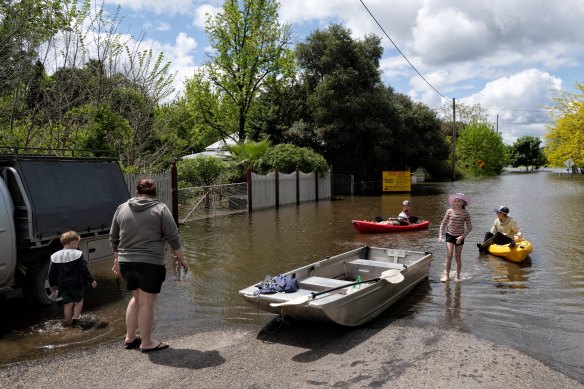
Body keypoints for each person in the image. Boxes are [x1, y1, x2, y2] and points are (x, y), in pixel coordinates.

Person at [110, 178, 189, 353]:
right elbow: (173, 237)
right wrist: (181, 259)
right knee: (147, 303)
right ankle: (146, 342)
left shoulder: (122, 208)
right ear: (155, 192)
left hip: (126, 262)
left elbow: (113, 237)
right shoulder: (160, 209)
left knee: (136, 298)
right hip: (150, 263)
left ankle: (130, 337)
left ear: (137, 191)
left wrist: (116, 259)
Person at [49, 230, 98, 327]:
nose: (77, 245)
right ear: (73, 242)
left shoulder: (55, 256)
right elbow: (84, 270)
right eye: (77, 243)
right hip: (76, 283)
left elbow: (51, 273)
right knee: (79, 301)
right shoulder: (78, 254)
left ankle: (68, 322)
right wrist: (91, 280)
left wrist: (52, 284)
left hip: (63, 284)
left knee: (68, 303)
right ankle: (76, 319)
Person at [438, 193, 473, 282]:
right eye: (455, 201)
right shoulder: (449, 211)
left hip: (459, 237)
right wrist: (440, 236)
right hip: (449, 235)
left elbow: (469, 227)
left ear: (463, 203)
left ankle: (457, 276)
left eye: (459, 201)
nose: (457, 203)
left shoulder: (466, 213)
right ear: (453, 203)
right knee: (449, 255)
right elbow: (443, 224)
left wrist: (462, 236)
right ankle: (446, 275)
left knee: (458, 257)